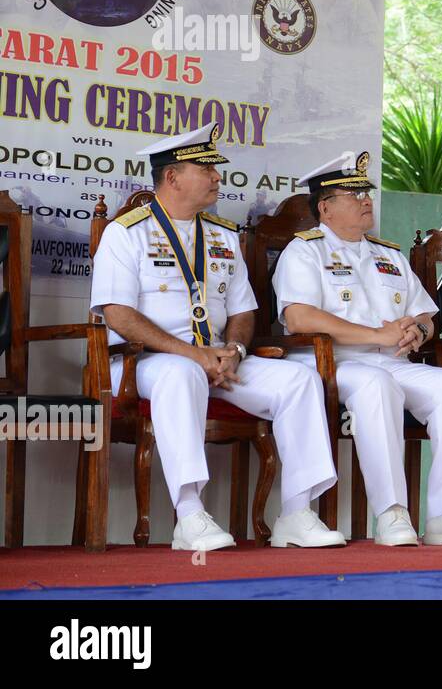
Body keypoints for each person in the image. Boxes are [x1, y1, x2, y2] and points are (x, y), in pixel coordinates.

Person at [90, 123, 343, 551]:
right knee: (180, 374)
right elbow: (117, 314)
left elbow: (243, 310)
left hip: (221, 361)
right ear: (172, 178)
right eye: (205, 170)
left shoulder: (223, 234)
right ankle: (189, 516)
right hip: (146, 362)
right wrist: (192, 354)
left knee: (298, 380)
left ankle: (297, 513)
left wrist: (236, 350)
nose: (216, 178)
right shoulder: (126, 232)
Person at [272, 151, 442, 546]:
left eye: (366, 192)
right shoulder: (305, 251)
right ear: (325, 207)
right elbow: (299, 318)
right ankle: (392, 513)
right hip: (333, 364)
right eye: (354, 194)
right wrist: (375, 335)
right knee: (375, 386)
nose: (366, 200)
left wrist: (418, 331)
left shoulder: (389, 255)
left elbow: (426, 316)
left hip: (393, 360)